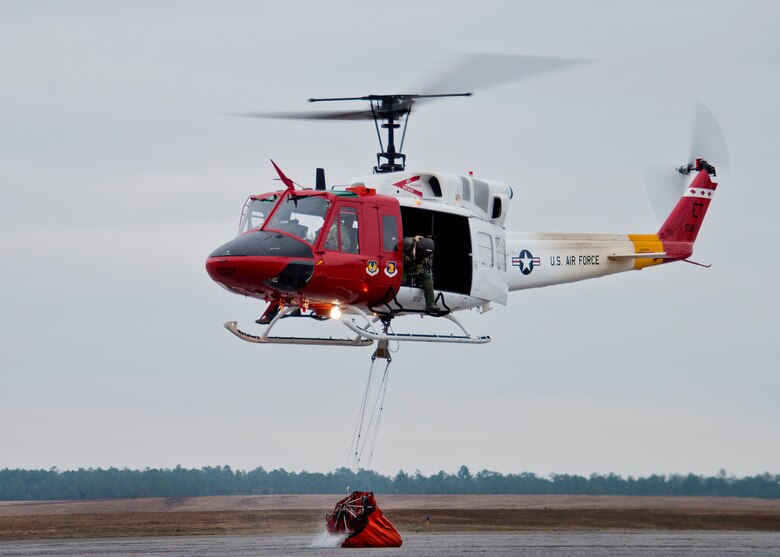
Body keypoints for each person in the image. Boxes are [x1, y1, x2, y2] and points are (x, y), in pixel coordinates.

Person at [403, 235, 438, 311]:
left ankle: (430, 304)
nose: (425, 256)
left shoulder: (429, 254)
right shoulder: (407, 243)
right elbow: (393, 252)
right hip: (403, 267)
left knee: (427, 277)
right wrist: (404, 258)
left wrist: (420, 269)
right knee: (402, 280)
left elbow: (428, 266)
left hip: (416, 268)